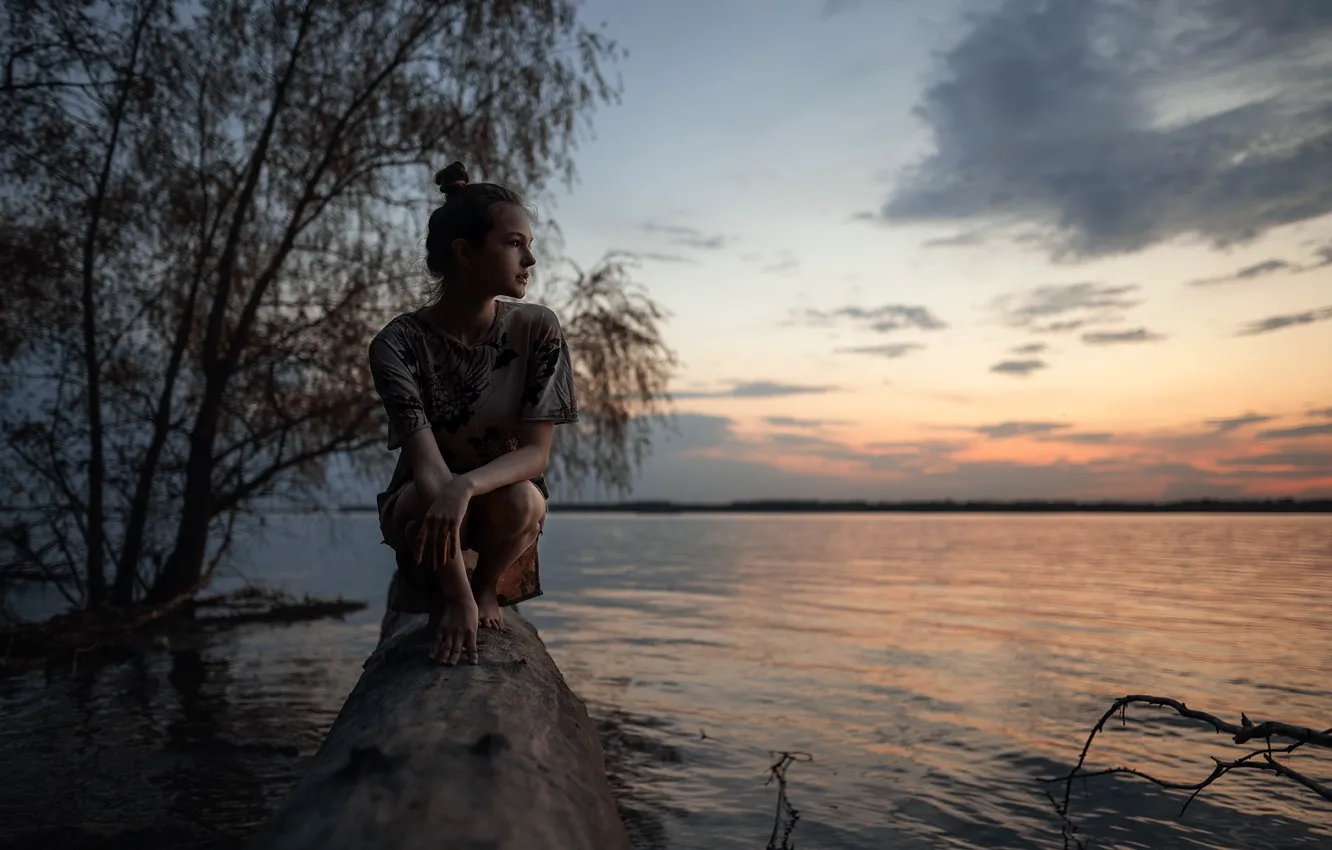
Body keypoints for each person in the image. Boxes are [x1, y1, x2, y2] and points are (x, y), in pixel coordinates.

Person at [367, 161, 578, 666]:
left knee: (525, 501)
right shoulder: (397, 344)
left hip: (499, 508)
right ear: (464, 252)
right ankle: (456, 589)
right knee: (423, 496)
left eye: (528, 243)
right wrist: (454, 599)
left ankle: (488, 585)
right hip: (424, 511)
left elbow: (534, 455)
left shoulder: (537, 329)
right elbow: (426, 465)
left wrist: (466, 487)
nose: (531, 258)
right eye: (514, 243)